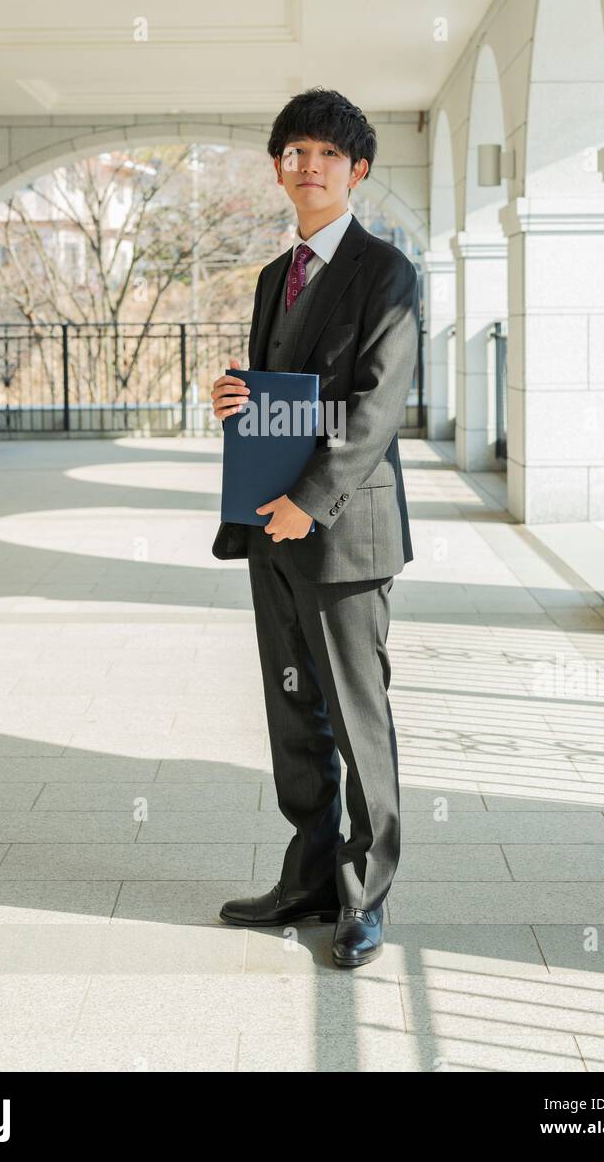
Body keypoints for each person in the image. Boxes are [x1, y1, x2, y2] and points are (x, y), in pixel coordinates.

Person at [210, 87, 419, 967]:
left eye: (327, 154)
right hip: (270, 528)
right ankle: (307, 878)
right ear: (278, 169)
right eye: (294, 153)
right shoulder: (273, 277)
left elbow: (376, 410)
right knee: (294, 713)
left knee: (356, 716)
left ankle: (365, 897)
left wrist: (312, 498)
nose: (309, 167)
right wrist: (232, 398)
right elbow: (279, 399)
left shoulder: (387, 271)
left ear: (357, 169)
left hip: (341, 530)